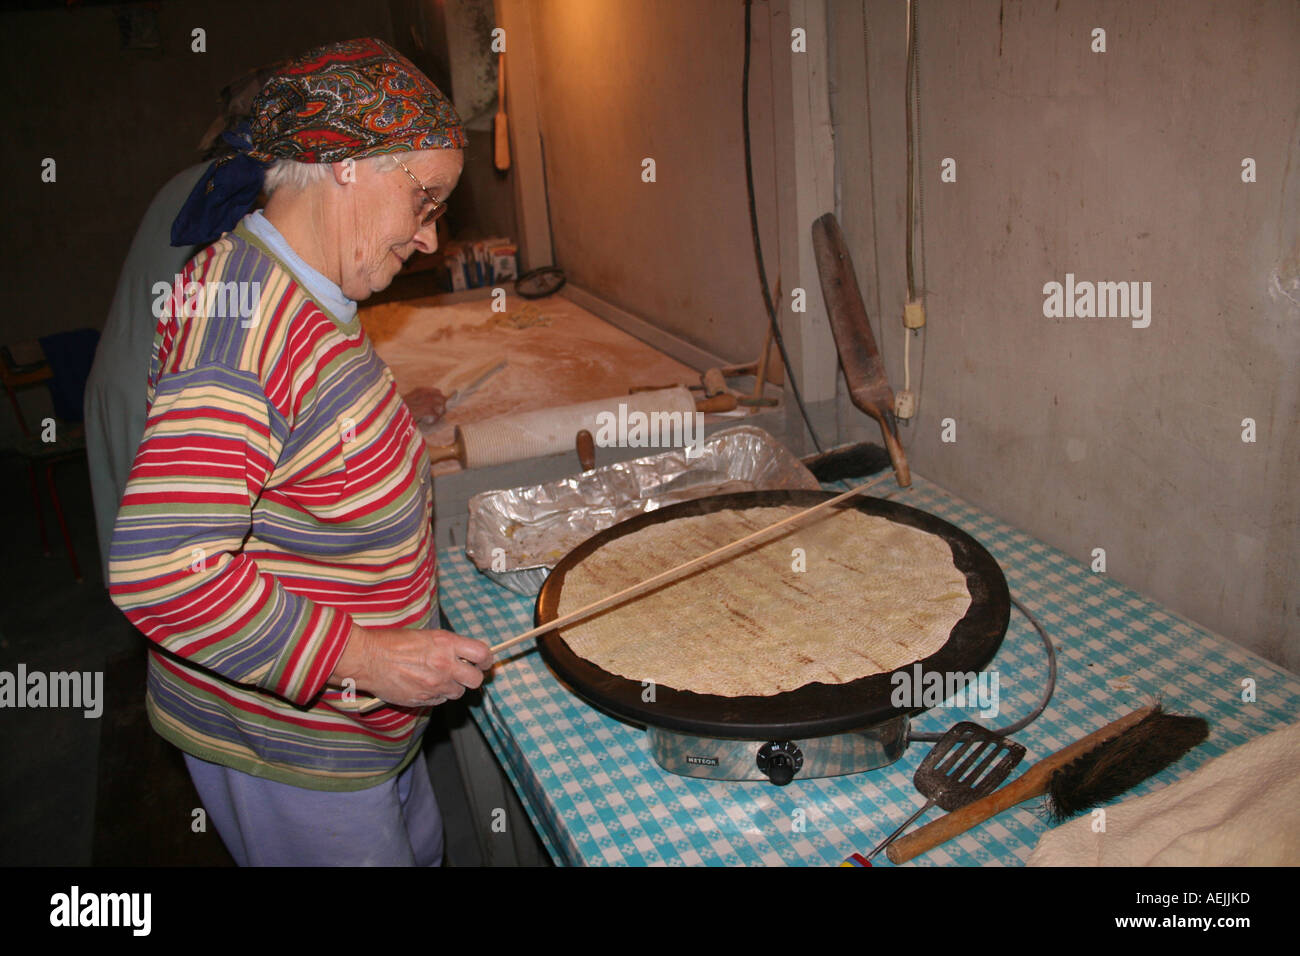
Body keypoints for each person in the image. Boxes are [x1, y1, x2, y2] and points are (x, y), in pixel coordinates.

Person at [107, 37, 493, 866]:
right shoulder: (242, 318)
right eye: (425, 200)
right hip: (288, 741)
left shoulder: (301, 285)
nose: (431, 239)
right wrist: (364, 658)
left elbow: (299, 436)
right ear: (346, 163)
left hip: (353, 719)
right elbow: (164, 569)